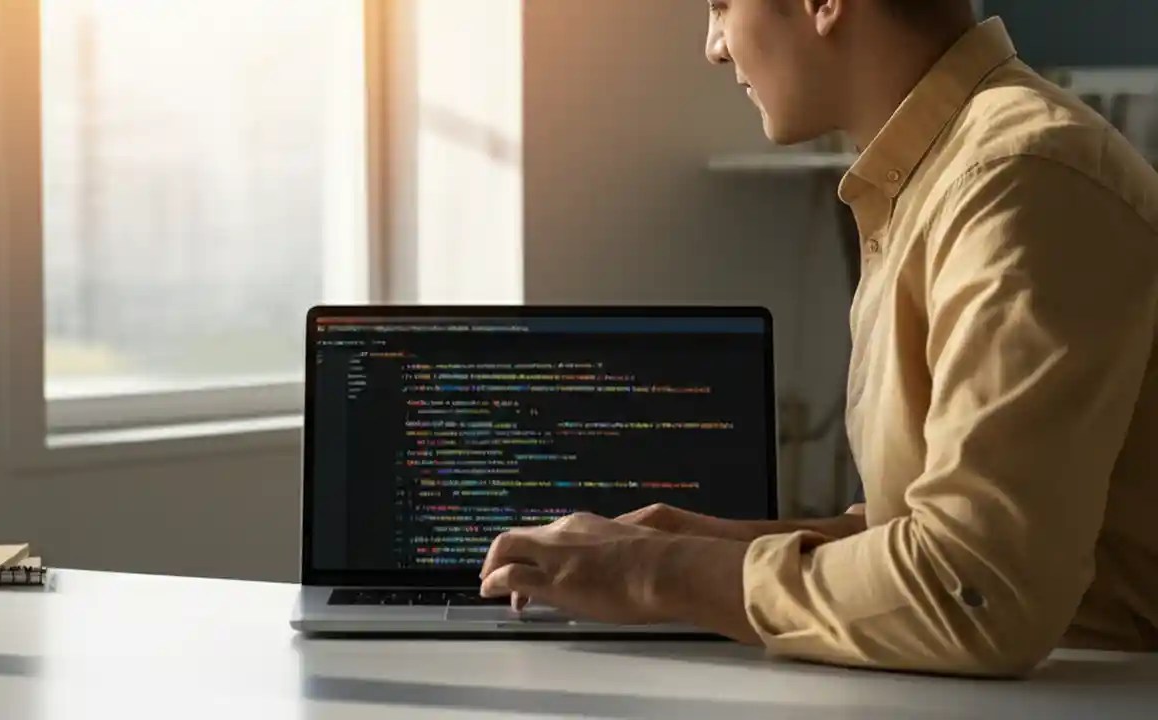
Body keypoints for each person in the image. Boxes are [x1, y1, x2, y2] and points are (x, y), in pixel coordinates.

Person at [480, 0, 1158, 677]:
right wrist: (720, 545)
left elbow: (973, 588)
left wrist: (659, 573)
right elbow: (950, 533)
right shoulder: (946, 175)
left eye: (721, 5)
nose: (715, 46)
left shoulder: (1018, 180)